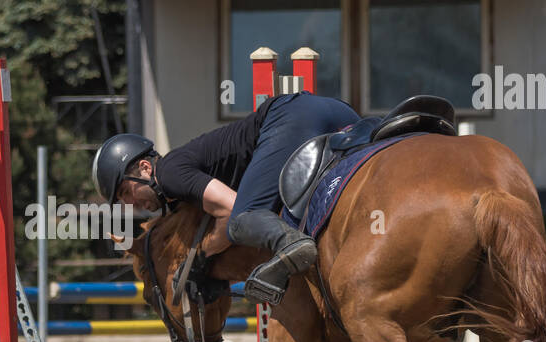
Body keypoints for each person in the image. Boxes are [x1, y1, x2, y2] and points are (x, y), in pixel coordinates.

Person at [92, 89, 358, 304]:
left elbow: (232, 210)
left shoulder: (170, 174)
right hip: (337, 112)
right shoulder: (179, 186)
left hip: (293, 118)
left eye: (126, 192)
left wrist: (201, 256)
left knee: (245, 218)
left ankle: (292, 245)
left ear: (145, 168)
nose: (130, 203)